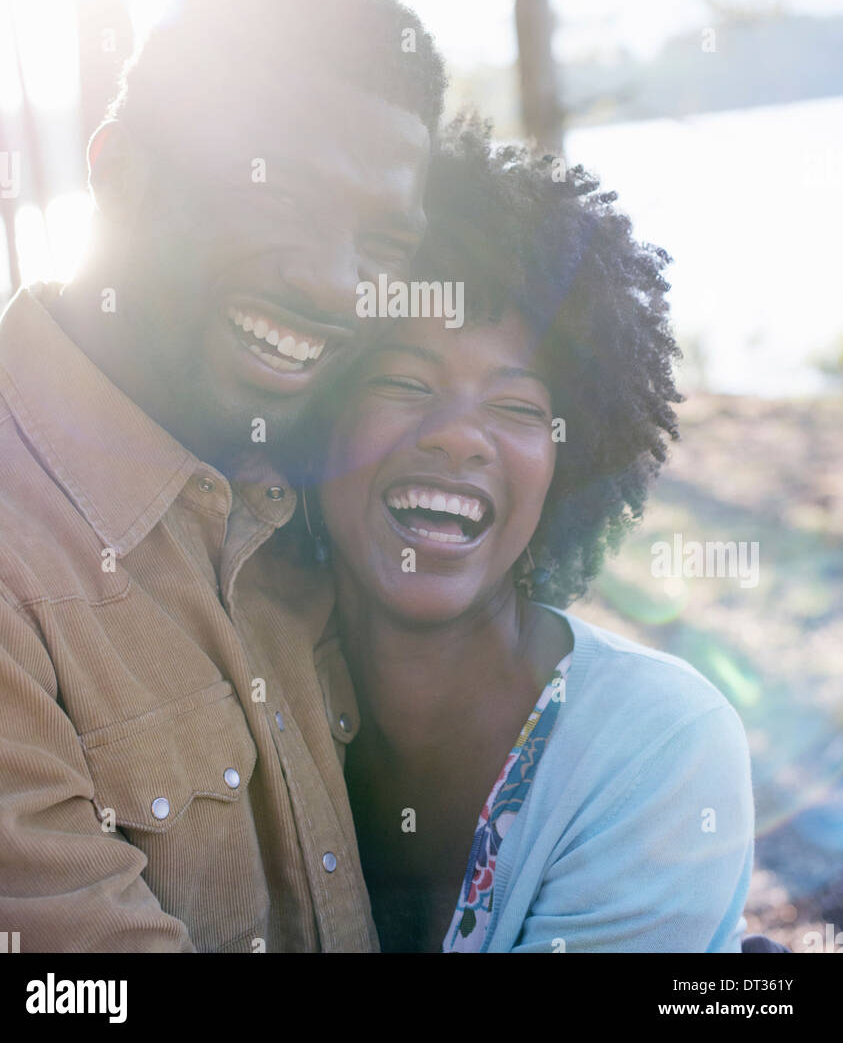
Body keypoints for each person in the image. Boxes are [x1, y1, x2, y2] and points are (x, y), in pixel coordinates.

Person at [0, 0, 445, 952]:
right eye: (282, 196)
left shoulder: (325, 492)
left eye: (382, 247)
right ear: (118, 170)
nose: (337, 286)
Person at [290, 117, 755, 953]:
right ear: (318, 422)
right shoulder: (231, 696)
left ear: (564, 469)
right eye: (401, 380)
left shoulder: (656, 746)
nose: (460, 436)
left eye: (516, 407)